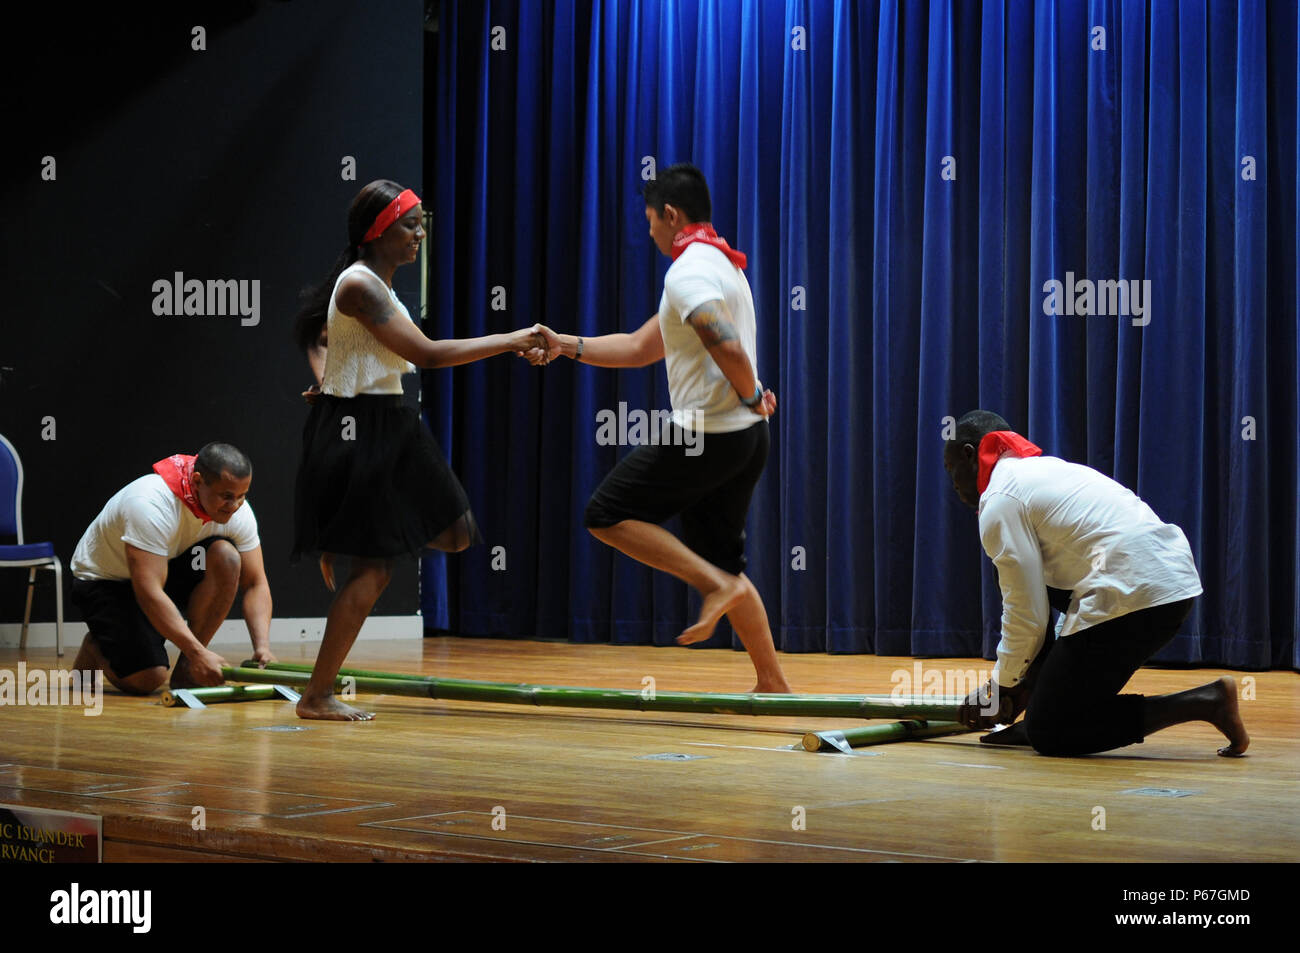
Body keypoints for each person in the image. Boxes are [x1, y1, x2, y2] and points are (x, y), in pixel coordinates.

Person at [526, 163, 790, 693]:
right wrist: (566, 345)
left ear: (671, 214)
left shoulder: (688, 270)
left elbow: (729, 347)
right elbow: (640, 346)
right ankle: (772, 682)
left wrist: (746, 390)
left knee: (604, 514)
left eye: (649, 219)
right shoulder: (721, 264)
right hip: (744, 439)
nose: (647, 231)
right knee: (726, 564)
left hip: (703, 437)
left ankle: (713, 585)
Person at [292, 178, 546, 721]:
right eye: (410, 224)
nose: (420, 234)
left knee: (456, 534)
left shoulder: (375, 286)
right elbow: (427, 355)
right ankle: (316, 696)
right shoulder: (359, 285)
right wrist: (511, 339)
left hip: (391, 423)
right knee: (376, 571)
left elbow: (330, 341)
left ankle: (352, 536)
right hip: (362, 428)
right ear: (379, 231)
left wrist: (332, 375)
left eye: (420, 223)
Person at [943, 409, 1249, 756]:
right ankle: (1039, 708)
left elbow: (1025, 614)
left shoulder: (1000, 499)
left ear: (970, 454)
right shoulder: (1043, 471)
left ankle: (1204, 702)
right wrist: (1021, 689)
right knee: (1048, 707)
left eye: (950, 468)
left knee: (1053, 732)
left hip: (1134, 594)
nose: (952, 483)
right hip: (1165, 585)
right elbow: (1038, 611)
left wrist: (999, 687)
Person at [70, 442, 273, 694]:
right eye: (227, 496)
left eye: (242, 495)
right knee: (148, 679)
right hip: (106, 581)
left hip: (161, 569)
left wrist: (262, 647)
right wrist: (200, 652)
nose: (235, 505)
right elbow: (148, 591)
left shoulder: (237, 511)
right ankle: (97, 645)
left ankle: (188, 670)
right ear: (198, 481)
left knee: (227, 558)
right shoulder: (150, 502)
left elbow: (255, 582)